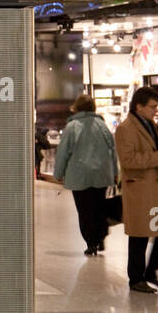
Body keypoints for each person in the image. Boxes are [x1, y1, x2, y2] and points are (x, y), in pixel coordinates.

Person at [115, 86, 158, 294]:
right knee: (140, 235)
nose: (156, 110)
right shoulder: (126, 128)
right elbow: (128, 160)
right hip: (142, 190)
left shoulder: (150, 124)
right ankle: (136, 278)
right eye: (152, 107)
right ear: (139, 107)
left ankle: (150, 272)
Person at [53, 94, 118, 256]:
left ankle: (91, 243)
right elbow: (113, 151)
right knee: (99, 207)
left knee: (85, 211)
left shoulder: (72, 126)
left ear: (77, 108)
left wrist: (58, 173)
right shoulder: (102, 125)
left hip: (80, 176)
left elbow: (63, 153)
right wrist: (115, 173)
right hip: (101, 175)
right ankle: (100, 235)